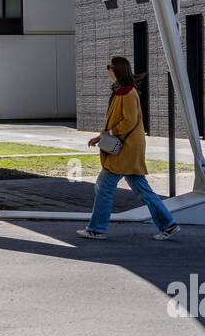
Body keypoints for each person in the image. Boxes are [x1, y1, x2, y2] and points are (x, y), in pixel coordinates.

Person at [77, 55, 179, 241]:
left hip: (126, 148)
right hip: (128, 148)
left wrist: (110, 133)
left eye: (110, 66)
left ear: (117, 70)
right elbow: (119, 120)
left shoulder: (127, 93)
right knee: (142, 190)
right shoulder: (121, 91)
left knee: (104, 185)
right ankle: (168, 224)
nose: (107, 70)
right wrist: (100, 137)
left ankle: (97, 229)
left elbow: (129, 121)